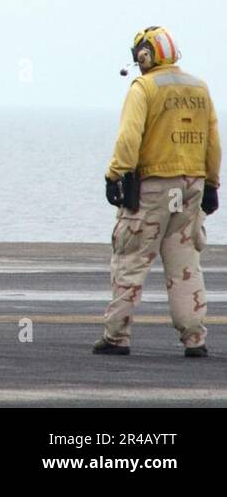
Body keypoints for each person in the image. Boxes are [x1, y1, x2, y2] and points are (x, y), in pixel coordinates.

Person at [95, 26, 221, 357]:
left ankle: (117, 336)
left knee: (131, 257)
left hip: (153, 188)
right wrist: (212, 183)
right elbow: (213, 141)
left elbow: (129, 138)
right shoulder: (199, 87)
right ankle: (195, 338)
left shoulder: (144, 87)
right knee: (186, 263)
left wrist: (115, 174)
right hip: (192, 187)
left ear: (145, 55)